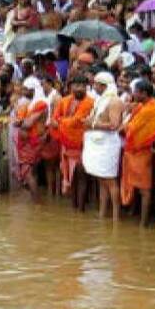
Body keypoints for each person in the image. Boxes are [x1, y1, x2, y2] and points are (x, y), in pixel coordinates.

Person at [83, 72, 124, 220]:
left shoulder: (114, 101)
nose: (94, 87)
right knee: (101, 180)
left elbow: (114, 125)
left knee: (110, 181)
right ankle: (102, 213)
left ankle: (115, 217)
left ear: (103, 85)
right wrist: (90, 121)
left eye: (96, 84)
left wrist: (92, 124)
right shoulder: (100, 100)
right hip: (98, 144)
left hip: (108, 145)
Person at [120, 80, 155, 226]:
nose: (133, 94)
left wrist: (124, 127)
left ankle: (144, 223)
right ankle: (138, 218)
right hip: (135, 152)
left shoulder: (149, 109)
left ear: (144, 93)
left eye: (136, 92)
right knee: (137, 186)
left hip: (142, 152)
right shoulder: (142, 106)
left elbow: (131, 128)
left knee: (144, 189)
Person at [51, 75, 94, 209]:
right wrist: (61, 122)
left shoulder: (90, 102)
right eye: (76, 85)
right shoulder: (63, 101)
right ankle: (75, 210)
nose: (79, 88)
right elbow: (53, 120)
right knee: (70, 177)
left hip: (83, 144)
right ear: (70, 87)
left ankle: (80, 209)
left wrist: (61, 122)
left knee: (81, 176)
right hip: (66, 144)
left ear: (86, 87)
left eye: (82, 85)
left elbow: (76, 121)